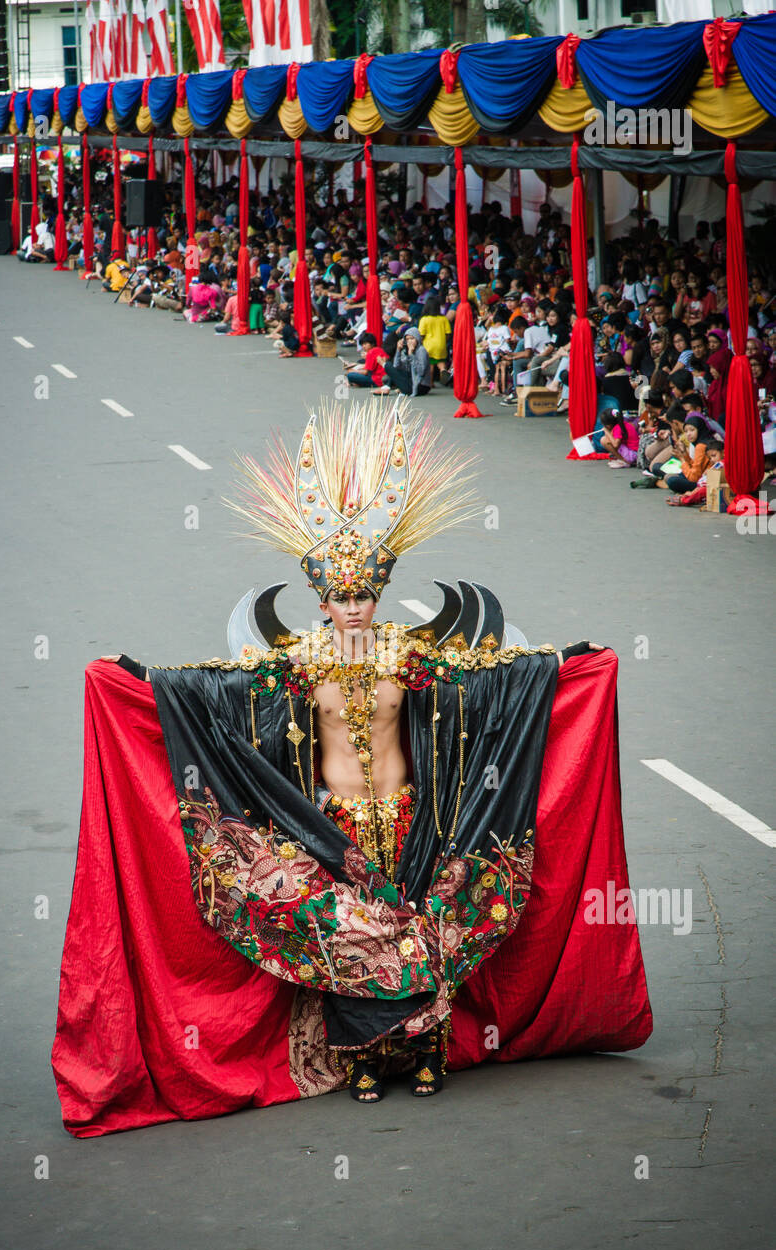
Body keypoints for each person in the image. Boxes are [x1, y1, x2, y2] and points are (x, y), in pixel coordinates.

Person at [54, 402, 651, 1133]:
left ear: (379, 590)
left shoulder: (412, 656)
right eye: (341, 596)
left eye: (365, 593)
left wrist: (564, 665)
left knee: (415, 928)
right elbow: (216, 696)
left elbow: (491, 683)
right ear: (320, 598)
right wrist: (142, 683)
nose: (355, 607)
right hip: (330, 826)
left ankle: (425, 1050)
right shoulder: (296, 665)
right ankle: (363, 1057)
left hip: (409, 820)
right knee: (349, 939)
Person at [376, 326, 431, 397]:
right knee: (390, 366)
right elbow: (396, 366)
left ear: (417, 339)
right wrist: (398, 350)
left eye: (412, 338)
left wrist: (411, 354)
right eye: (407, 339)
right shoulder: (406, 350)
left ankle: (390, 386)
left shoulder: (421, 350)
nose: (410, 341)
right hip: (411, 381)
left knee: (387, 366)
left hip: (421, 385)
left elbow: (420, 372)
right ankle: (391, 386)